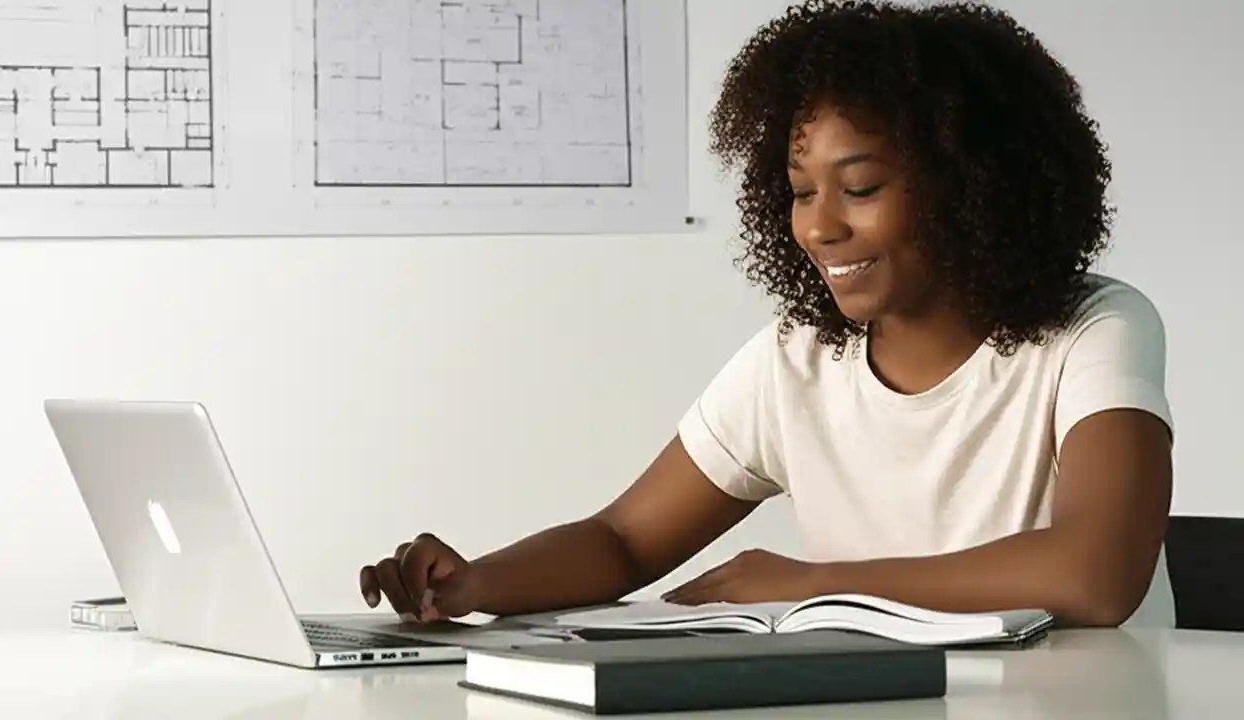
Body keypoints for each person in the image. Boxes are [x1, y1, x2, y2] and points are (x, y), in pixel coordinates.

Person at [359, 0, 1174, 628]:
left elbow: (1095, 574)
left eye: (860, 188)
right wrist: (476, 585)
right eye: (799, 192)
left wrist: (813, 587)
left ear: (974, 187)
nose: (820, 226)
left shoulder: (1091, 331)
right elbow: (624, 540)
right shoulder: (797, 360)